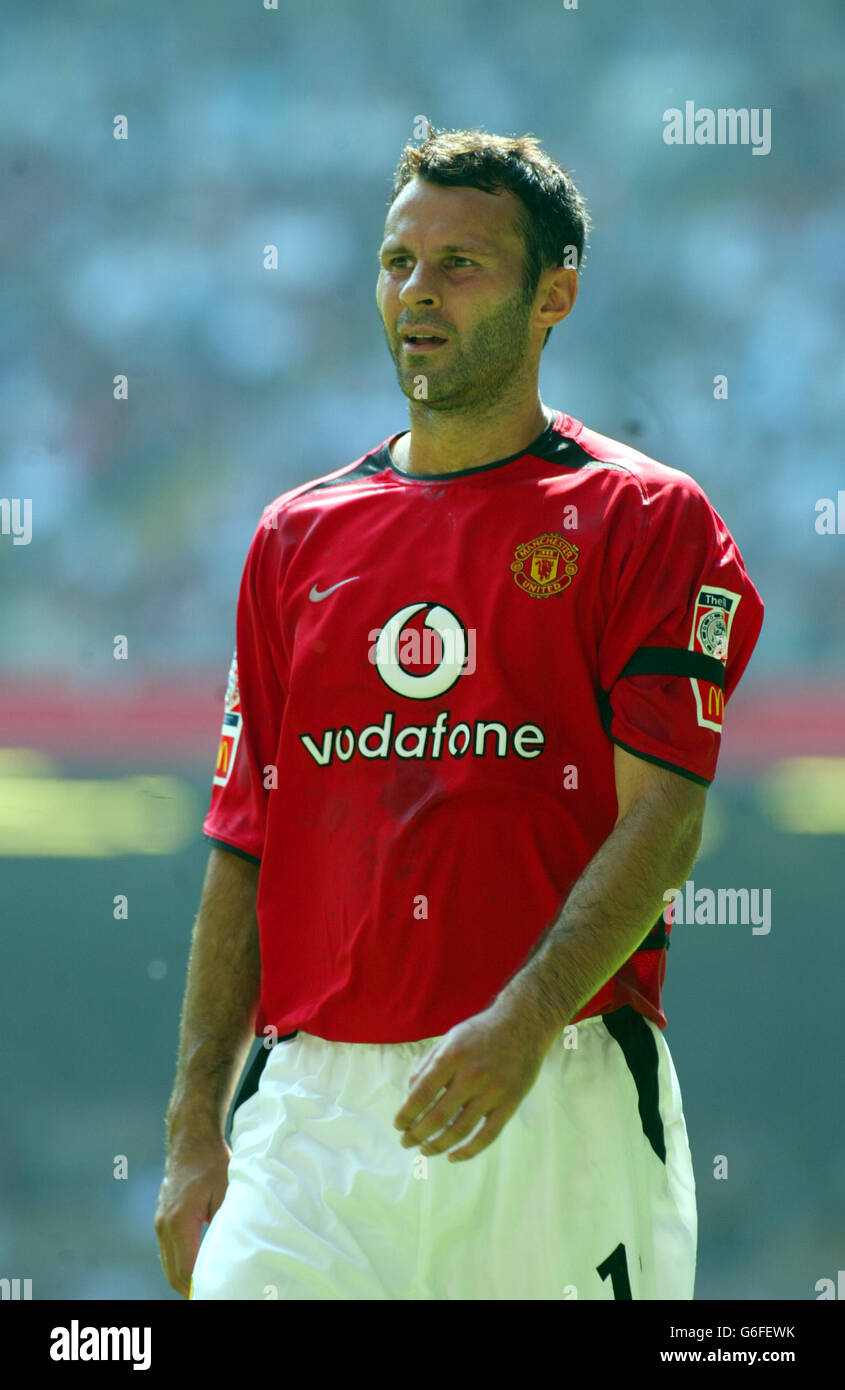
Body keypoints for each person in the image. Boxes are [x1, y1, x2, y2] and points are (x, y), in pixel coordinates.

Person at [155, 127, 764, 1300]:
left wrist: (525, 1019)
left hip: (553, 1087)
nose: (416, 292)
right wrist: (191, 1135)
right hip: (312, 1120)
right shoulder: (294, 539)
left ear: (555, 295)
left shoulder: (640, 516)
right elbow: (244, 847)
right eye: (397, 262)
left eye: (460, 264)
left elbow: (662, 822)